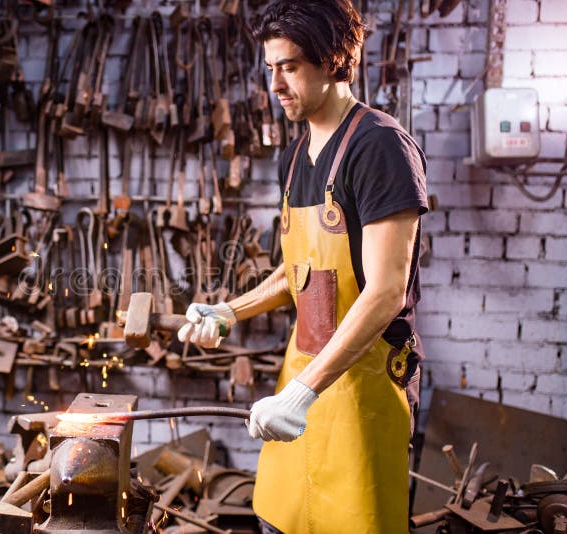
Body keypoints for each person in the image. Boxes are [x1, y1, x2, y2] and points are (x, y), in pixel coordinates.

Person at [177, 1, 428, 532]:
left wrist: (301, 393)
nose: (276, 84)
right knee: (281, 518)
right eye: (271, 68)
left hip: (361, 387)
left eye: (289, 67)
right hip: (302, 379)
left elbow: (385, 292)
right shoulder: (295, 156)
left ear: (335, 60)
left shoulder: (379, 147)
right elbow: (299, 270)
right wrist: (230, 310)